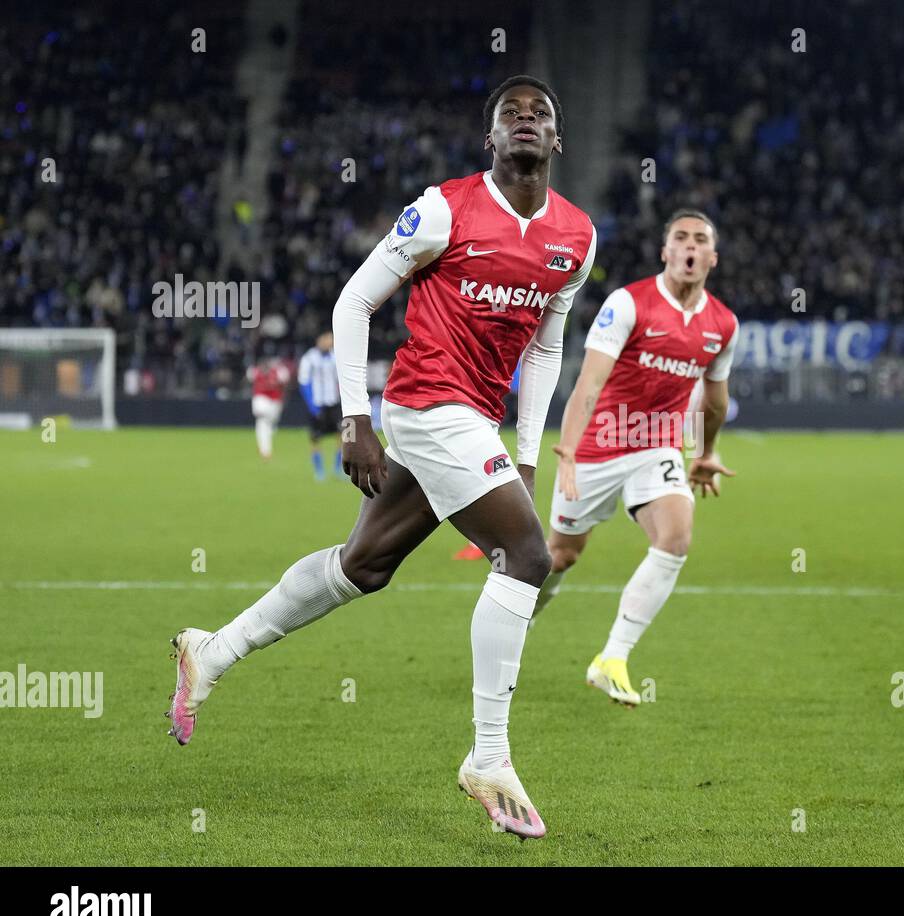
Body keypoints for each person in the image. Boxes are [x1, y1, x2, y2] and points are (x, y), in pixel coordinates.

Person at [166, 76, 596, 840]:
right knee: (528, 555)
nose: (526, 120)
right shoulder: (442, 208)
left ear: (556, 140)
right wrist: (354, 420)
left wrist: (526, 457)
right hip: (426, 406)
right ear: (489, 139)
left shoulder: (577, 238)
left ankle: (213, 649)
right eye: (510, 114)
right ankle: (488, 756)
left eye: (541, 114)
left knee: (364, 565)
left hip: (473, 422)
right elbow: (353, 303)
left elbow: (546, 348)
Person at [531, 210, 737, 705]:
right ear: (665, 252)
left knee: (676, 537)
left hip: (657, 446)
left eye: (700, 240)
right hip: (597, 447)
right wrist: (569, 451)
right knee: (560, 555)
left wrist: (706, 452)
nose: (690, 247)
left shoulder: (722, 325)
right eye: (680, 238)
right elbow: (590, 379)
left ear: (712, 257)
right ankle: (515, 617)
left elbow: (715, 399)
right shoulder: (629, 303)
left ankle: (613, 658)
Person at [298, 331, 344, 479]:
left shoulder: (335, 356)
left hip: (333, 403)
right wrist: (311, 405)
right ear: (319, 339)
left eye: (331, 338)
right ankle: (319, 471)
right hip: (318, 404)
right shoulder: (309, 358)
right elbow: (304, 382)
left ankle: (338, 469)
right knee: (315, 438)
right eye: (327, 338)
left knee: (343, 436)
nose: (330, 341)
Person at [248, 351, 291, 459]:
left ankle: (264, 446)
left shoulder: (279, 372)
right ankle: (265, 450)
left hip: (275, 402)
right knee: (262, 421)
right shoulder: (254, 371)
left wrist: (283, 397)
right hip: (261, 400)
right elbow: (249, 380)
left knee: (268, 425)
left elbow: (286, 384)